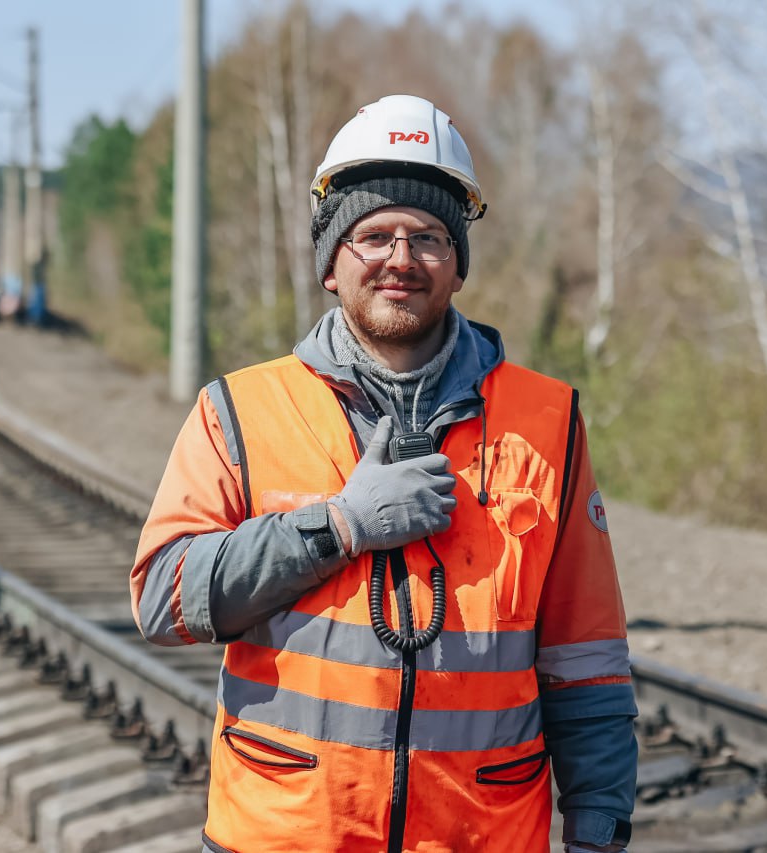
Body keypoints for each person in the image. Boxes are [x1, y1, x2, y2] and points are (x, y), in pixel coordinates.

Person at [131, 94, 636, 853]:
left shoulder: (548, 421)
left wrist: (598, 827)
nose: (401, 258)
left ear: (458, 265)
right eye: (373, 235)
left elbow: (586, 656)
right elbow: (163, 598)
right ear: (332, 263)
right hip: (288, 834)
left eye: (429, 236)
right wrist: (334, 526)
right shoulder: (238, 409)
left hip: (480, 837)